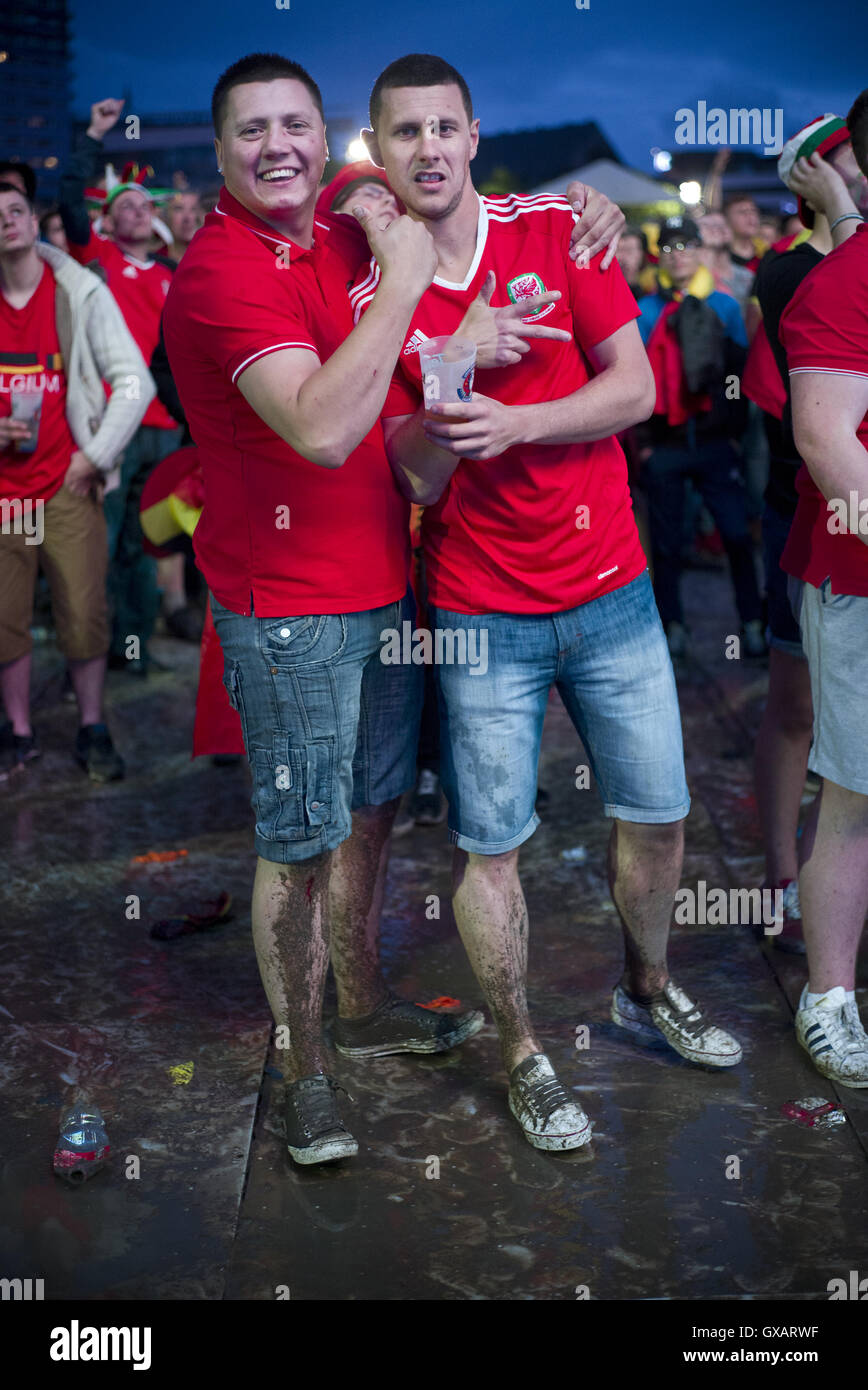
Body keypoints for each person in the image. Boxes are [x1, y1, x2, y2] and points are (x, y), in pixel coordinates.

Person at [162, 52, 625, 1166]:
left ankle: (359, 1010)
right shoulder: (222, 274)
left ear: (326, 140)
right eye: (248, 132)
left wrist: (582, 204)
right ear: (217, 151)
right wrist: (416, 283)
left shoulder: (334, 224)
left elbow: (448, 199)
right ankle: (304, 1068)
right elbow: (322, 429)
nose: (276, 147)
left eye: (294, 127)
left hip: (386, 585)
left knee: (371, 815)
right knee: (300, 842)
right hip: (291, 612)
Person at [355, 52, 743, 1153]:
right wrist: (451, 364)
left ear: (475, 136)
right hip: (479, 608)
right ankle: (523, 1051)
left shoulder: (558, 232)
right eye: (405, 133)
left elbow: (634, 388)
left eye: (445, 128)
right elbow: (417, 477)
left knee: (660, 812)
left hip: (612, 587)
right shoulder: (376, 289)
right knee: (491, 845)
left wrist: (521, 421)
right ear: (381, 152)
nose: (429, 148)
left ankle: (645, 984)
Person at [751, 116, 868, 953]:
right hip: (807, 515)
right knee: (799, 714)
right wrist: (833, 209)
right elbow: (811, 422)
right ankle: (781, 877)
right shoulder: (795, 270)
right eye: (844, 159)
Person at [0, 180, 154, 780]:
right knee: (6, 614)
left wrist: (94, 457)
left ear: (36, 222)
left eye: (17, 211)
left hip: (66, 483)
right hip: (5, 496)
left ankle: (93, 725)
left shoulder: (79, 290)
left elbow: (135, 380)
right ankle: (17, 731)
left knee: (84, 608)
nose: (7, 222)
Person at [778, 88, 868, 1087]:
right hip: (858, 575)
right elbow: (823, 435)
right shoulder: (842, 282)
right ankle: (827, 995)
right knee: (856, 795)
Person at [59, 101, 184, 676]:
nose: (136, 209)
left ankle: (132, 648)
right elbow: (68, 205)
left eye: (143, 204)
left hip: (164, 430)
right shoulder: (97, 259)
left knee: (143, 545)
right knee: (101, 544)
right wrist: (92, 136)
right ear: (107, 222)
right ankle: (86, 649)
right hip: (115, 426)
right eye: (124, 205)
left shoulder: (172, 276)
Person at [632, 214, 764, 658]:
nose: (679, 255)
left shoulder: (723, 306)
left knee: (736, 536)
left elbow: (740, 377)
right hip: (665, 446)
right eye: (669, 249)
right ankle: (673, 627)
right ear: (661, 258)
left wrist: (734, 437)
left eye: (686, 246)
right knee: (667, 546)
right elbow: (636, 381)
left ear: (700, 251)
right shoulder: (648, 310)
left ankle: (752, 622)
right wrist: (645, 446)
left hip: (713, 444)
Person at [164, 191, 203, 265]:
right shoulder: (156, 261)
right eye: (179, 209)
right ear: (166, 217)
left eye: (193, 209)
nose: (187, 218)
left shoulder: (212, 259)